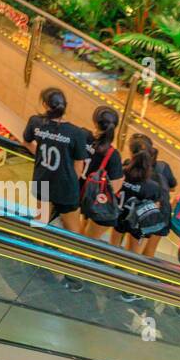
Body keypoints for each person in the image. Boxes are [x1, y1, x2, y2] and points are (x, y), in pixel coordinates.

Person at [23, 88, 90, 250]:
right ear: (65, 106)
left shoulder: (36, 122)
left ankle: (36, 254)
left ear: (45, 105)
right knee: (73, 231)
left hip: (43, 179)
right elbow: (79, 167)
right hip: (66, 187)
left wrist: (39, 154)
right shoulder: (77, 133)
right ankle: (71, 264)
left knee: (40, 221)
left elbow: (26, 141)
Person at [114, 149, 170, 267]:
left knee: (111, 249)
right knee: (133, 258)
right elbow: (155, 207)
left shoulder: (122, 174)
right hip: (137, 224)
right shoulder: (152, 187)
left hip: (118, 217)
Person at [80, 107, 125, 242]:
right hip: (94, 200)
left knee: (78, 234)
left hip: (76, 196)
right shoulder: (112, 155)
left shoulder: (82, 135)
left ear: (95, 122)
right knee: (87, 243)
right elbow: (115, 188)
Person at [129, 135, 176, 258]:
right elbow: (173, 186)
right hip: (160, 213)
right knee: (148, 253)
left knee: (133, 253)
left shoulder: (131, 168)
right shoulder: (163, 167)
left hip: (146, 214)